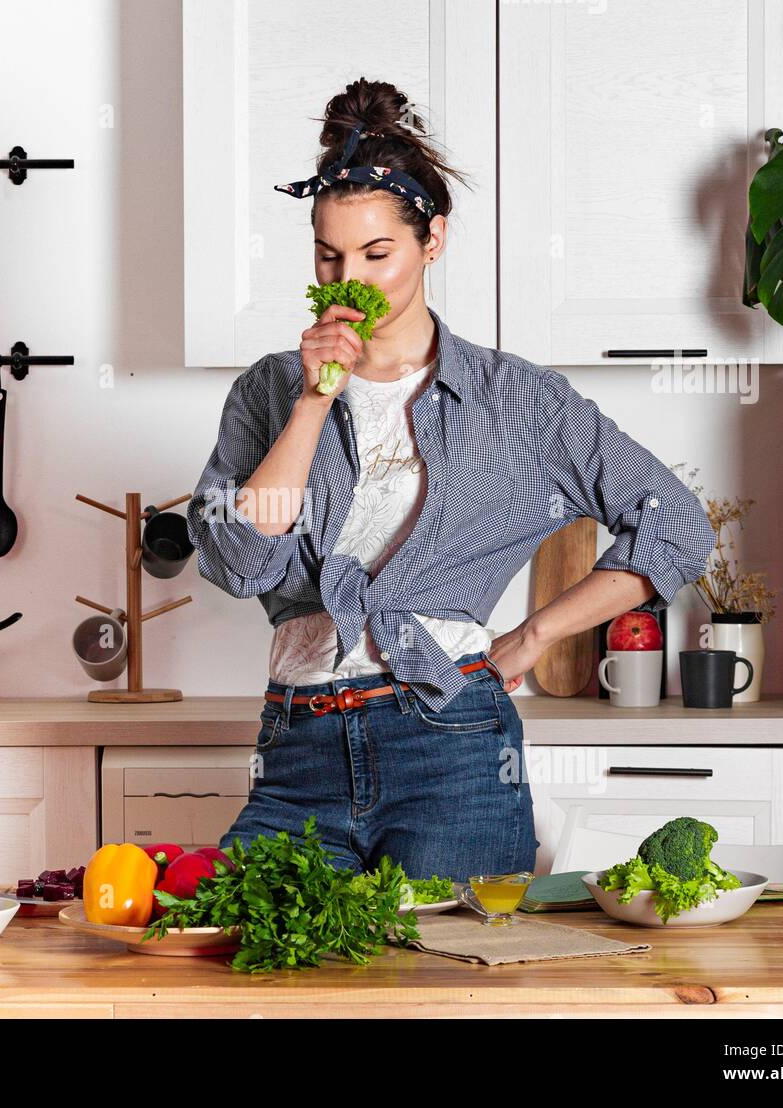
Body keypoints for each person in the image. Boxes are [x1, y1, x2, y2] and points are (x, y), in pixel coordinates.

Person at [186, 78, 715, 880]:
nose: (349, 279)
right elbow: (240, 562)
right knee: (256, 970)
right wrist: (310, 403)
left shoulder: (518, 401)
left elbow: (676, 525)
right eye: (328, 255)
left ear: (432, 239)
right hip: (296, 748)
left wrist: (533, 638)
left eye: (376, 254)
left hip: (453, 744)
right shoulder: (268, 390)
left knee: (453, 984)